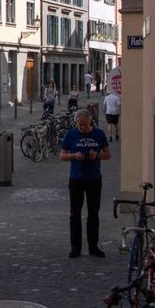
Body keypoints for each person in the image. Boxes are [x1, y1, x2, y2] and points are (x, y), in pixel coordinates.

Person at [60, 109, 112, 258]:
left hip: (94, 179)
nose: (82, 128)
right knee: (75, 215)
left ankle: (93, 246)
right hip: (76, 179)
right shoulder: (71, 134)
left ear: (90, 122)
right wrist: (74, 156)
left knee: (93, 214)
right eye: (79, 125)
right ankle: (75, 247)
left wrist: (97, 156)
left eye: (84, 125)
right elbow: (62, 156)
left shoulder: (99, 134)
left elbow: (108, 154)